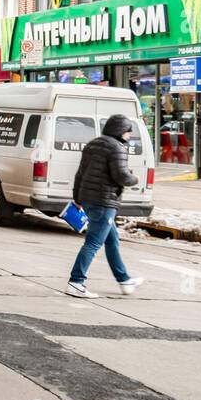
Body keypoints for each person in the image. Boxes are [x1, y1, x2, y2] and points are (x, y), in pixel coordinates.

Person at [67, 114, 144, 298]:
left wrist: (77, 198)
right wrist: (135, 178)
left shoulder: (92, 144)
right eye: (128, 132)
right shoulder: (117, 147)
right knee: (93, 242)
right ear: (120, 131)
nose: (129, 136)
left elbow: (80, 174)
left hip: (89, 199)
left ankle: (124, 279)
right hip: (104, 201)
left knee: (112, 240)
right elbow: (122, 177)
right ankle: (76, 282)